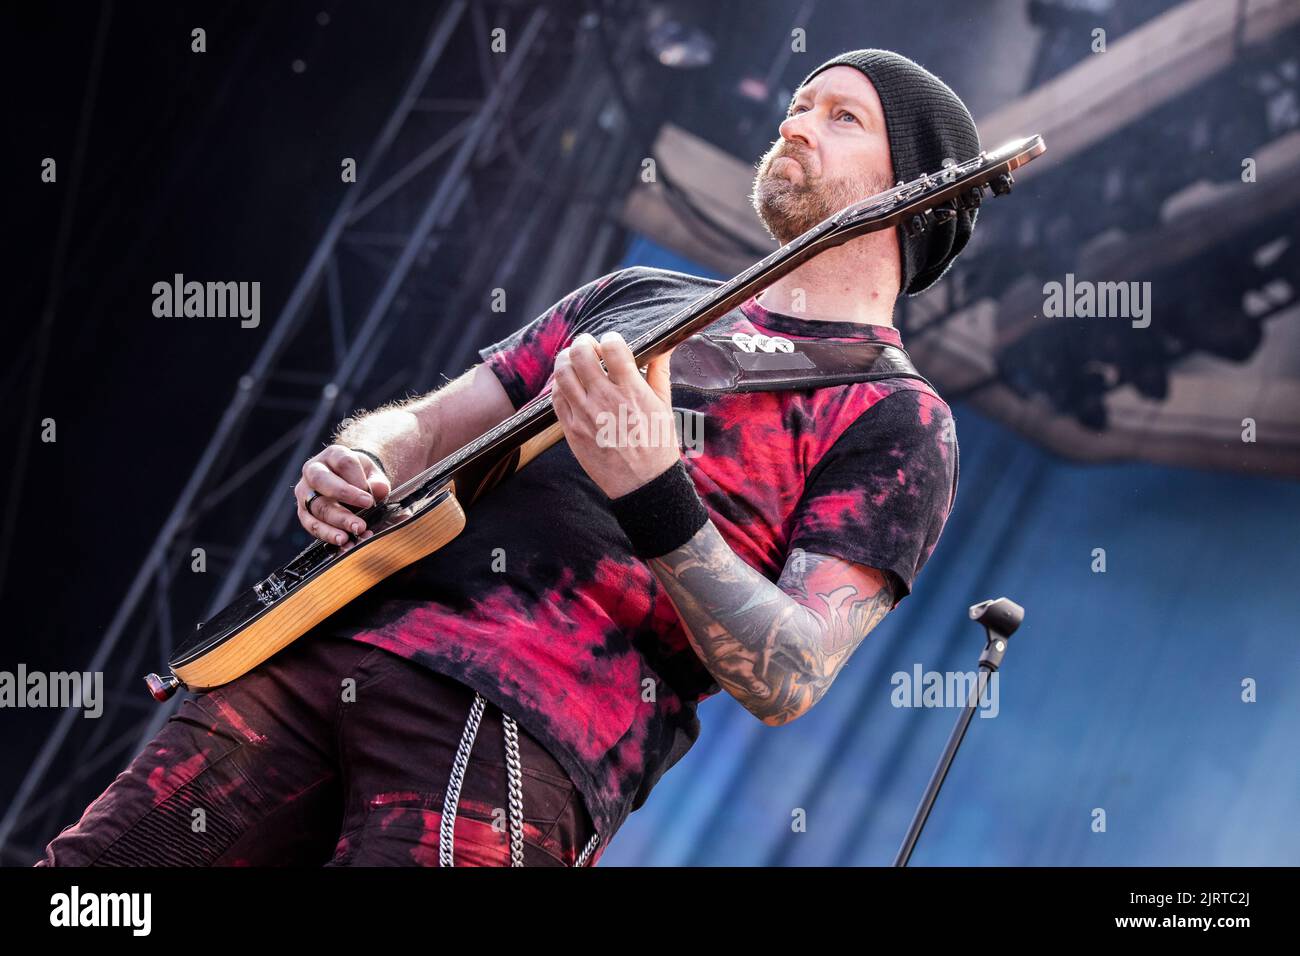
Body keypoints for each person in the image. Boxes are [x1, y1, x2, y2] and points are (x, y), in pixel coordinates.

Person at [37, 48, 977, 867]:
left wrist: (651, 488)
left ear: (916, 194)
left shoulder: (899, 418)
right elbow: (436, 423)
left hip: (525, 727)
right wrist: (362, 454)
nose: (797, 124)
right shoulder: (640, 293)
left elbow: (790, 673)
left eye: (842, 116)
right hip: (328, 642)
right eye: (799, 106)